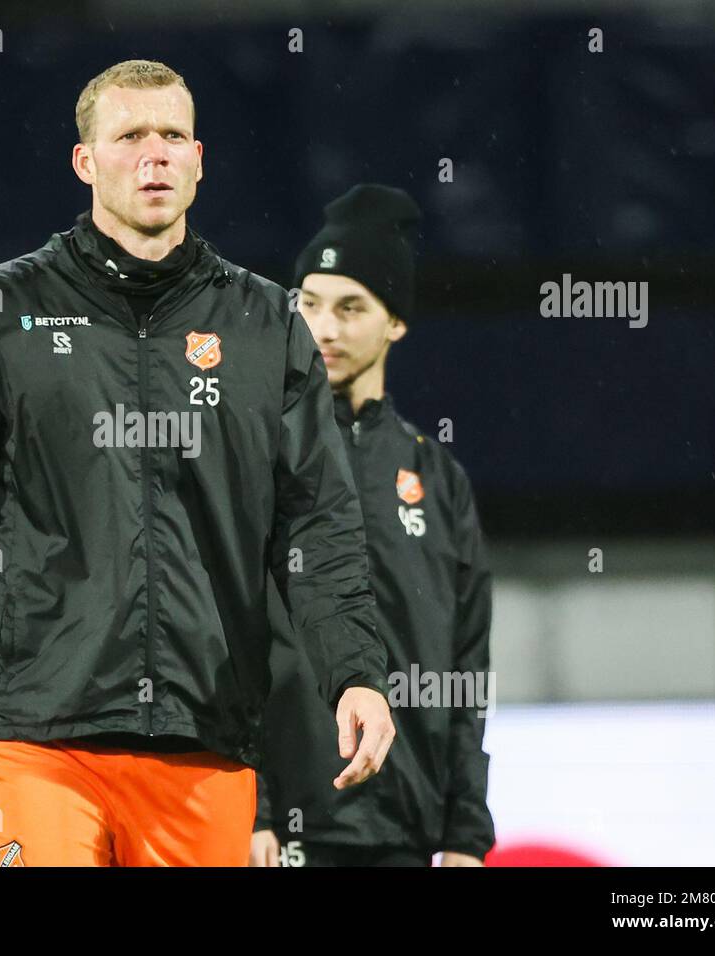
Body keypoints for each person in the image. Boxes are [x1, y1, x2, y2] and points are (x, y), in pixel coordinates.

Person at [0, 60, 394, 867]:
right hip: (35, 734)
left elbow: (319, 525)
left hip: (207, 737)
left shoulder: (267, 322)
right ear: (86, 162)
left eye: (171, 136)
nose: (153, 154)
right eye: (129, 136)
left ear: (200, 159)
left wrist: (357, 676)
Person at [250, 184, 495, 867]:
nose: (324, 329)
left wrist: (465, 830)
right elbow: (216, 635)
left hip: (409, 831)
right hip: (288, 828)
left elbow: (467, 664)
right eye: (309, 304)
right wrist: (252, 802)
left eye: (351, 308)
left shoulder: (438, 479)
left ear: (395, 324)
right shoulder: (254, 459)